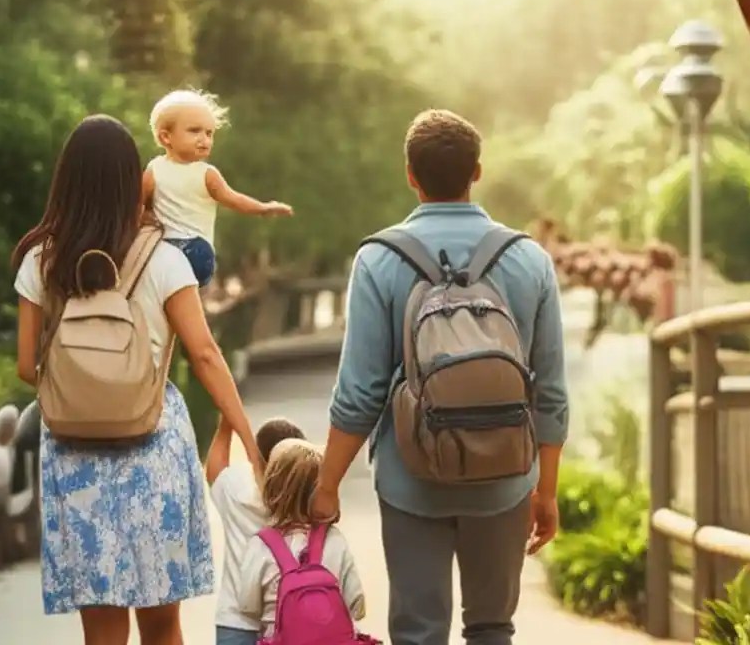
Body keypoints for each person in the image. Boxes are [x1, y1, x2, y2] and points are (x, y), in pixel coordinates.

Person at [312, 109, 569, 644]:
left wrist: (327, 483)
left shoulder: (378, 260)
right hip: (505, 477)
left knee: (418, 631)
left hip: (412, 478)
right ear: (478, 172)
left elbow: (358, 393)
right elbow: (550, 393)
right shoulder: (529, 260)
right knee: (493, 626)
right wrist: (545, 489)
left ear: (410, 174)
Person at [12, 114, 265, 645]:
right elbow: (205, 356)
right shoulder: (165, 259)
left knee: (102, 628)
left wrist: (83, 394)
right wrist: (245, 436)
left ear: (68, 179)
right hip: (154, 443)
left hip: (74, 454)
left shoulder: (41, 260)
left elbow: (24, 366)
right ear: (134, 180)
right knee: (161, 623)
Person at [143, 89, 293, 288]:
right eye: (195, 131)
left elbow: (233, 199)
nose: (204, 139)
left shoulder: (206, 174)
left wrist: (262, 208)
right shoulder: (154, 170)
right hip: (164, 249)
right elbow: (139, 206)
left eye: (209, 133)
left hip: (195, 250)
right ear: (166, 137)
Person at [235, 439, 368, 641]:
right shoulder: (335, 540)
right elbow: (356, 606)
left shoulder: (261, 545)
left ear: (272, 488)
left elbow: (247, 605)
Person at [205, 417, 307, 645]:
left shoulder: (237, 490)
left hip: (236, 621)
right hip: (293, 622)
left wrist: (226, 424)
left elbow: (214, 469)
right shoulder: (306, 500)